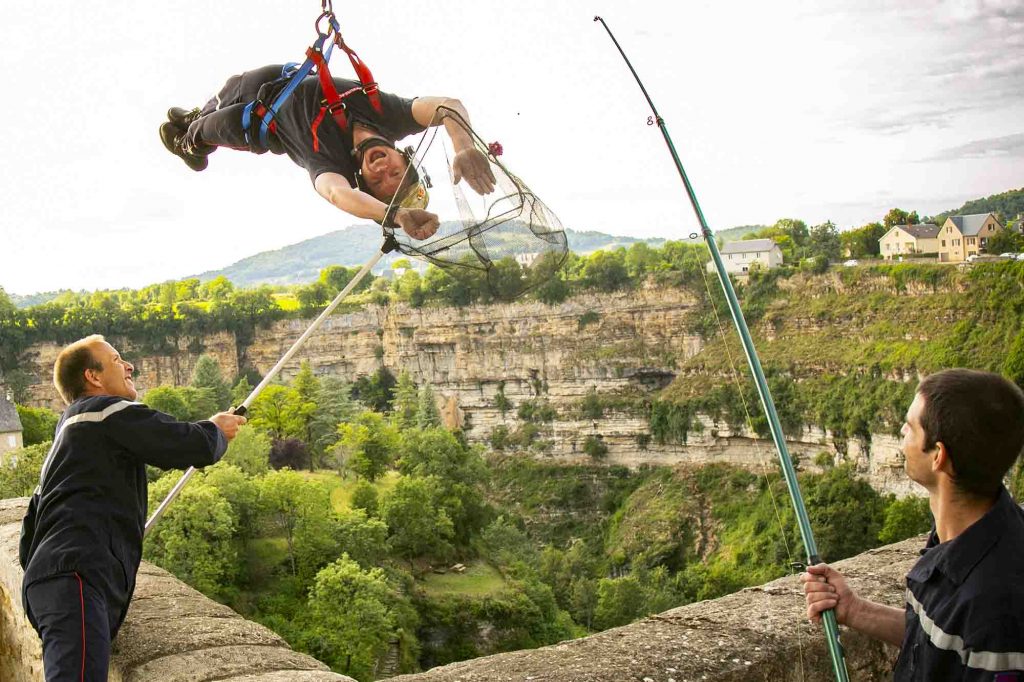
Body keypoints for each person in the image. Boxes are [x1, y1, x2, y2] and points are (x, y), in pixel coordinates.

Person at [18, 335, 247, 681]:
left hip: (51, 582)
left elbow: (28, 536)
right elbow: (184, 443)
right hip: (76, 579)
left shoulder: (67, 433)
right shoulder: (105, 411)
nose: (129, 366)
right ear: (93, 377)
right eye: (116, 360)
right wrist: (216, 430)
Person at [801, 369, 1024, 681]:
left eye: (909, 428)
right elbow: (940, 642)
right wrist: (854, 610)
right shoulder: (972, 536)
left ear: (938, 456)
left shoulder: (994, 609)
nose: (900, 434)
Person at [160, 64, 496, 240]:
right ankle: (194, 119)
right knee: (224, 93)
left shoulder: (330, 163)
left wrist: (395, 216)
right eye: (396, 172)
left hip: (252, 122)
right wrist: (463, 146)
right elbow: (448, 106)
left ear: (362, 179)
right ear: (402, 156)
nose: (382, 170)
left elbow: (337, 194)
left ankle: (189, 143)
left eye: (379, 182)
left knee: (204, 130)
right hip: (275, 78)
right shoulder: (391, 117)